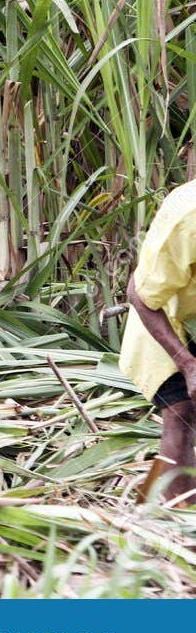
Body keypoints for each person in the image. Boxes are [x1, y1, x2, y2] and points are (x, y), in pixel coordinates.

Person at [123, 179, 196, 504]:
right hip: (165, 319)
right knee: (180, 414)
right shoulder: (189, 217)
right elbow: (140, 295)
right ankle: (166, 521)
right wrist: (188, 365)